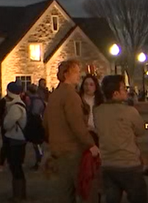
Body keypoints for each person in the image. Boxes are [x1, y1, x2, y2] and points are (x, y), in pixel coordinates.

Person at [43, 59, 98, 203]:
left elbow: (46, 123)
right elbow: (77, 124)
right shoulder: (70, 96)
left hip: (57, 150)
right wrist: (90, 144)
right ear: (66, 74)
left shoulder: (54, 95)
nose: (79, 75)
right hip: (72, 151)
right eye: (76, 71)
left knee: (64, 194)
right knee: (86, 192)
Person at [94, 75, 147, 203]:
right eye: (123, 88)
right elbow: (140, 130)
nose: (126, 91)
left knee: (112, 198)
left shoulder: (97, 111)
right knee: (138, 197)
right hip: (128, 162)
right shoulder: (129, 111)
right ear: (116, 93)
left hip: (108, 163)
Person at [1, 81, 28, 202]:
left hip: (16, 139)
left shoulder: (15, 107)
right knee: (17, 167)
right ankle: (20, 193)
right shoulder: (17, 104)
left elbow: (7, 124)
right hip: (18, 138)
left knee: (16, 167)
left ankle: (19, 194)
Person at [25, 84, 46, 170]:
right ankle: (39, 159)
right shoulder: (40, 99)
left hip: (34, 121)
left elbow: (31, 110)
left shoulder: (31, 99)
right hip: (38, 120)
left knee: (36, 143)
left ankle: (39, 160)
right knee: (36, 143)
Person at [80, 74, 105, 142]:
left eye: (91, 85)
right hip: (83, 134)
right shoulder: (78, 101)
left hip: (97, 134)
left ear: (95, 86)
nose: (88, 87)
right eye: (86, 84)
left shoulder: (100, 101)